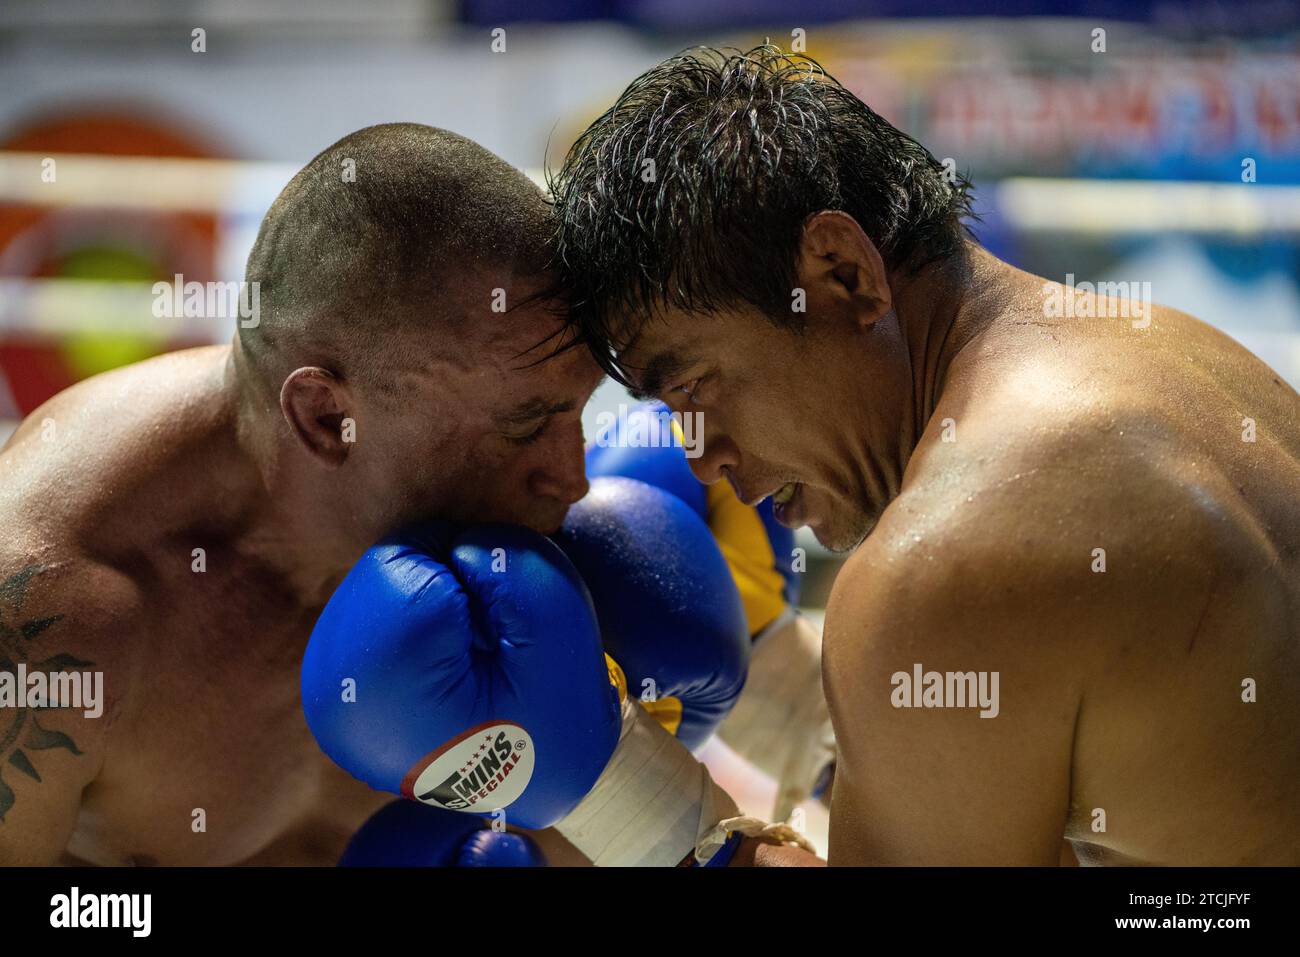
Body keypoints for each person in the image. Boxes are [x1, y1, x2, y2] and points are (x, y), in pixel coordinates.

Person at [549, 46, 1300, 865]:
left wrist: (622, 798)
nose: (701, 460)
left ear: (843, 274)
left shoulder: (941, 563)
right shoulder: (1195, 365)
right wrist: (799, 701)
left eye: (694, 388)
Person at [0, 123, 601, 865]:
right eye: (524, 426)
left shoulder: (518, 556)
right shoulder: (51, 611)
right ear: (326, 418)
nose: (571, 477)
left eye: (576, 410)